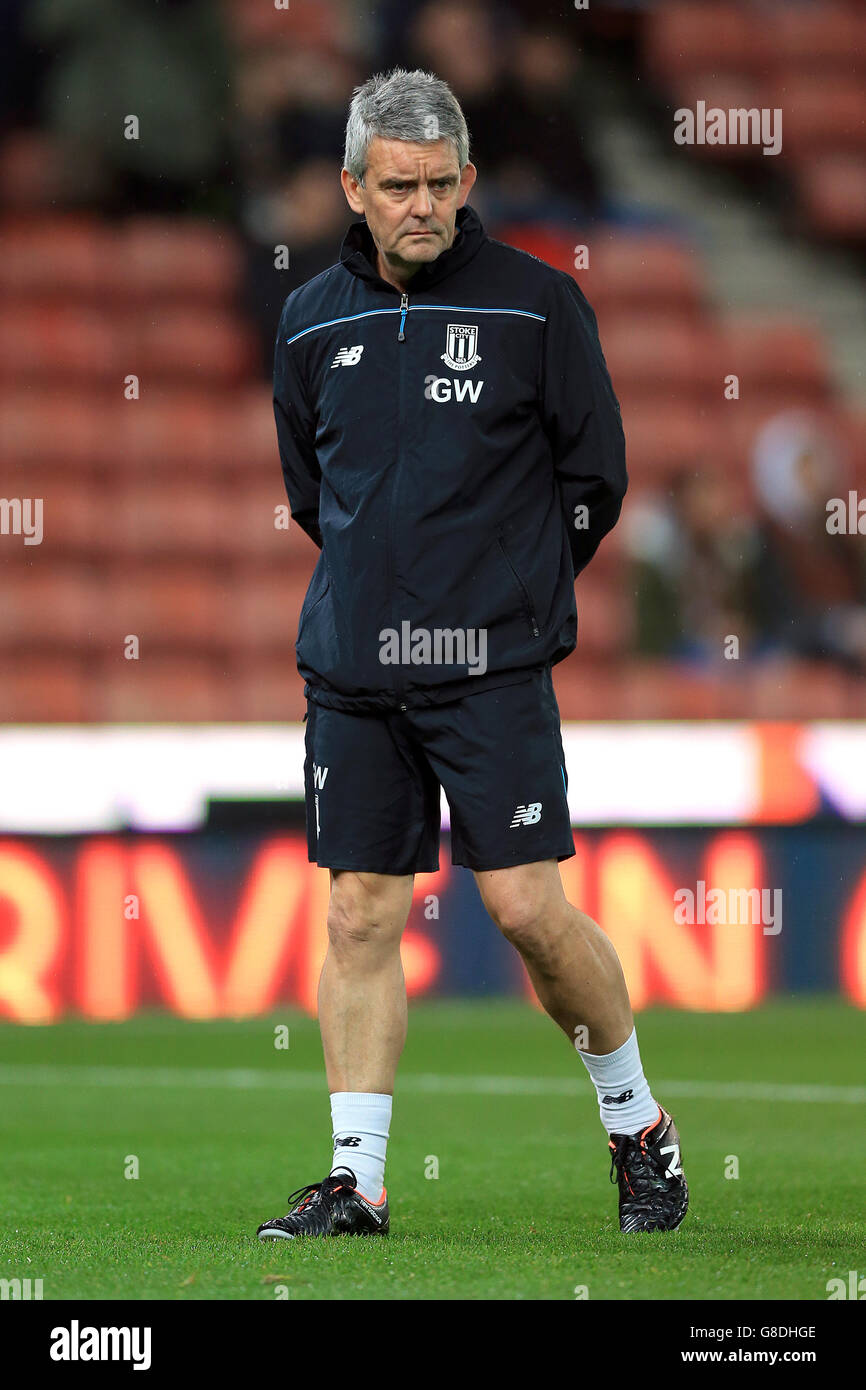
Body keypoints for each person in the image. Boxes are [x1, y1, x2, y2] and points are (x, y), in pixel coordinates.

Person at [257, 69, 688, 1241]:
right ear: (351, 186)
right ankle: (357, 1180)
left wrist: (508, 604)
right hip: (352, 671)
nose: (421, 206)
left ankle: (636, 1125)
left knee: (526, 910)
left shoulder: (538, 307)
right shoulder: (307, 322)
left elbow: (593, 482)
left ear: (468, 181)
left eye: (441, 183)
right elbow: (316, 497)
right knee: (356, 913)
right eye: (396, 186)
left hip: (489, 667)